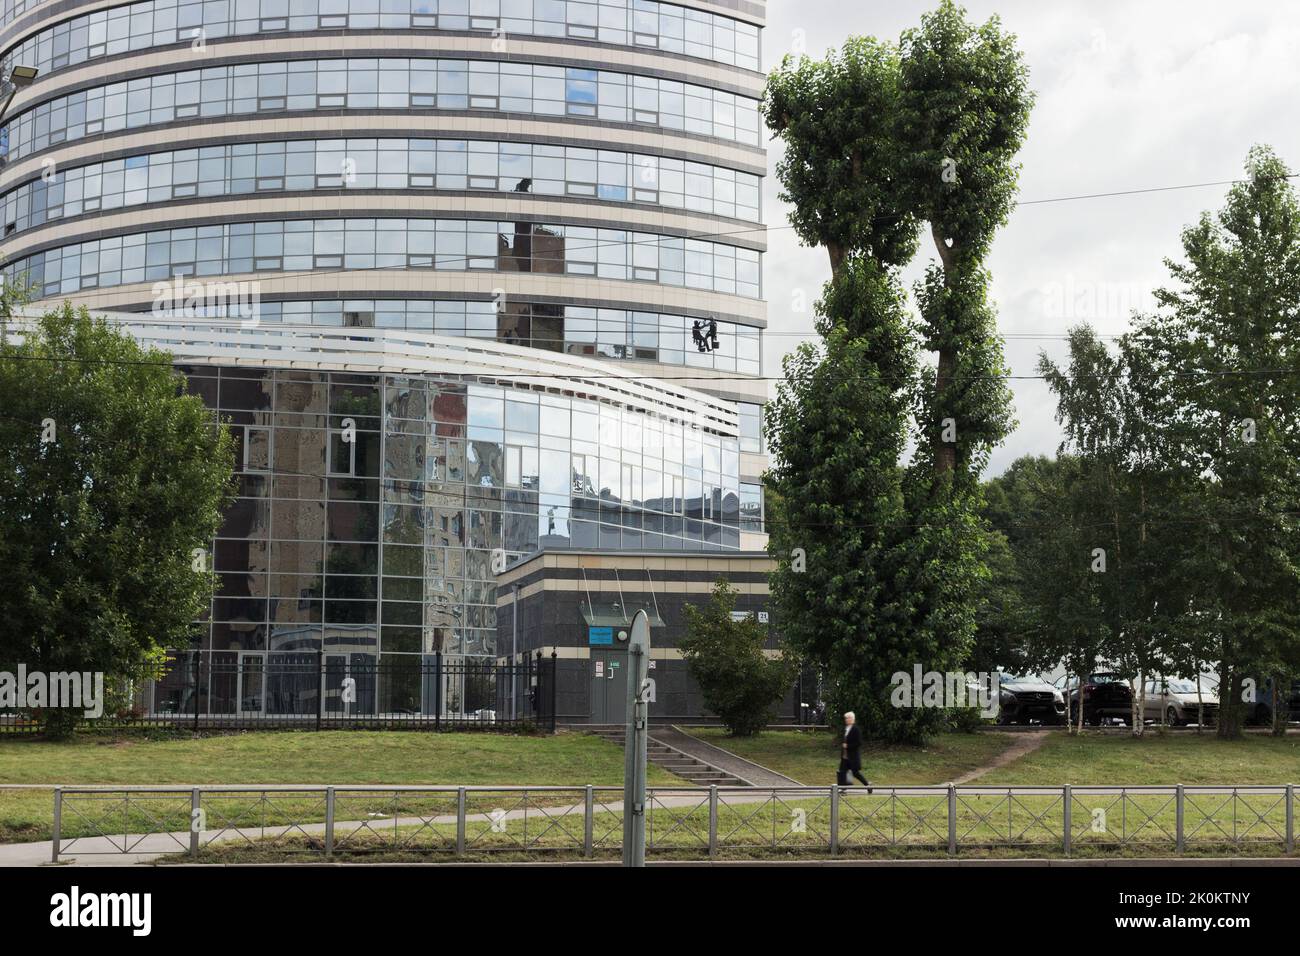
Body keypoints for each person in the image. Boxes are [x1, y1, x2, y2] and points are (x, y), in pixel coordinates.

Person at [837, 711, 872, 792]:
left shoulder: (856, 729)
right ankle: (842, 789)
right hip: (845, 756)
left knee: (855, 773)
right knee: (842, 772)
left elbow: (859, 743)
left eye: (848, 718)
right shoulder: (846, 729)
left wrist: (848, 746)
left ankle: (867, 785)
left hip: (852, 756)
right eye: (846, 718)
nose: (846, 719)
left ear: (852, 719)